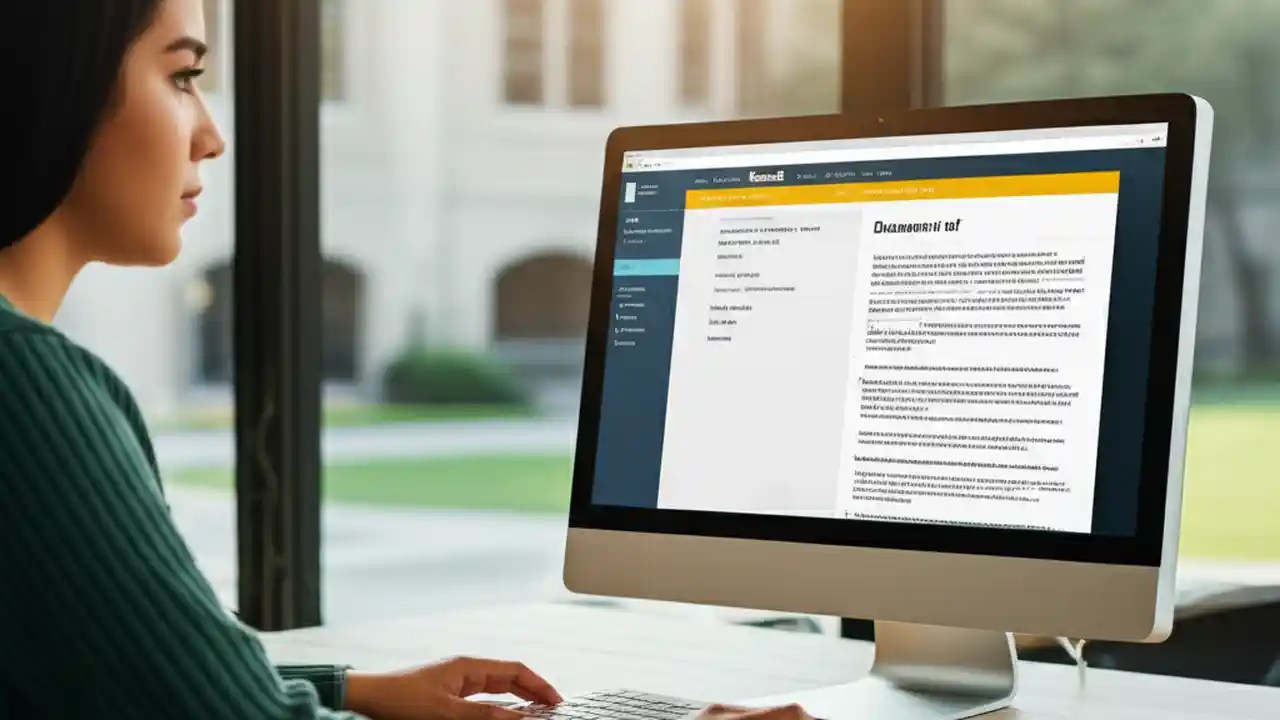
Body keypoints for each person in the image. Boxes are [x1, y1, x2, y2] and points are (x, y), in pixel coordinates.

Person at [0, 2, 816, 718]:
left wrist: (351, 688)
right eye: (183, 77)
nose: (211, 137)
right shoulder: (25, 385)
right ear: (55, 79)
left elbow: (137, 675)